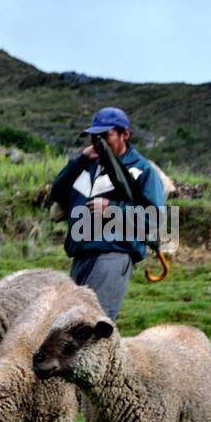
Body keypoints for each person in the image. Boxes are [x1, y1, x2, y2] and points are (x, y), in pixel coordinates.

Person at [48, 107, 166, 320]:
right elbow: (57, 192)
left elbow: (156, 220)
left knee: (93, 322)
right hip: (81, 254)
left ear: (125, 135)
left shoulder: (142, 170)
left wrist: (112, 209)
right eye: (94, 136)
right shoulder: (86, 165)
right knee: (69, 323)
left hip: (114, 253)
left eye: (105, 135)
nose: (98, 140)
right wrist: (80, 159)